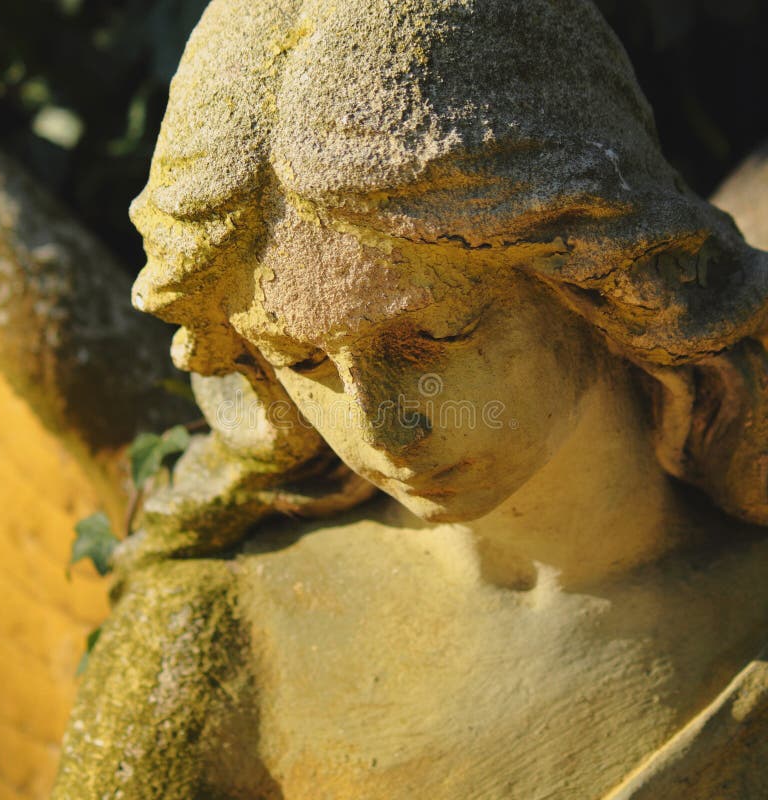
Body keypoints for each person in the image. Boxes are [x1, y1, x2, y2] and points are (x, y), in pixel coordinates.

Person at [54, 1, 768, 797]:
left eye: (435, 337)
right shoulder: (210, 640)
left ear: (598, 274)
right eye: (303, 360)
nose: (383, 427)